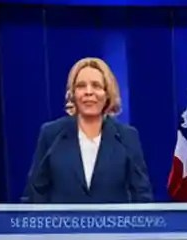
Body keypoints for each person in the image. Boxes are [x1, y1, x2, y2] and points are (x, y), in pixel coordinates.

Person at [21, 57, 154, 204]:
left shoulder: (127, 137)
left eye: (96, 86)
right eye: (81, 86)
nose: (88, 92)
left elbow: (142, 196)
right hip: (63, 225)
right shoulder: (51, 134)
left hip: (112, 226)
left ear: (107, 93)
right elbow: (34, 194)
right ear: (73, 93)